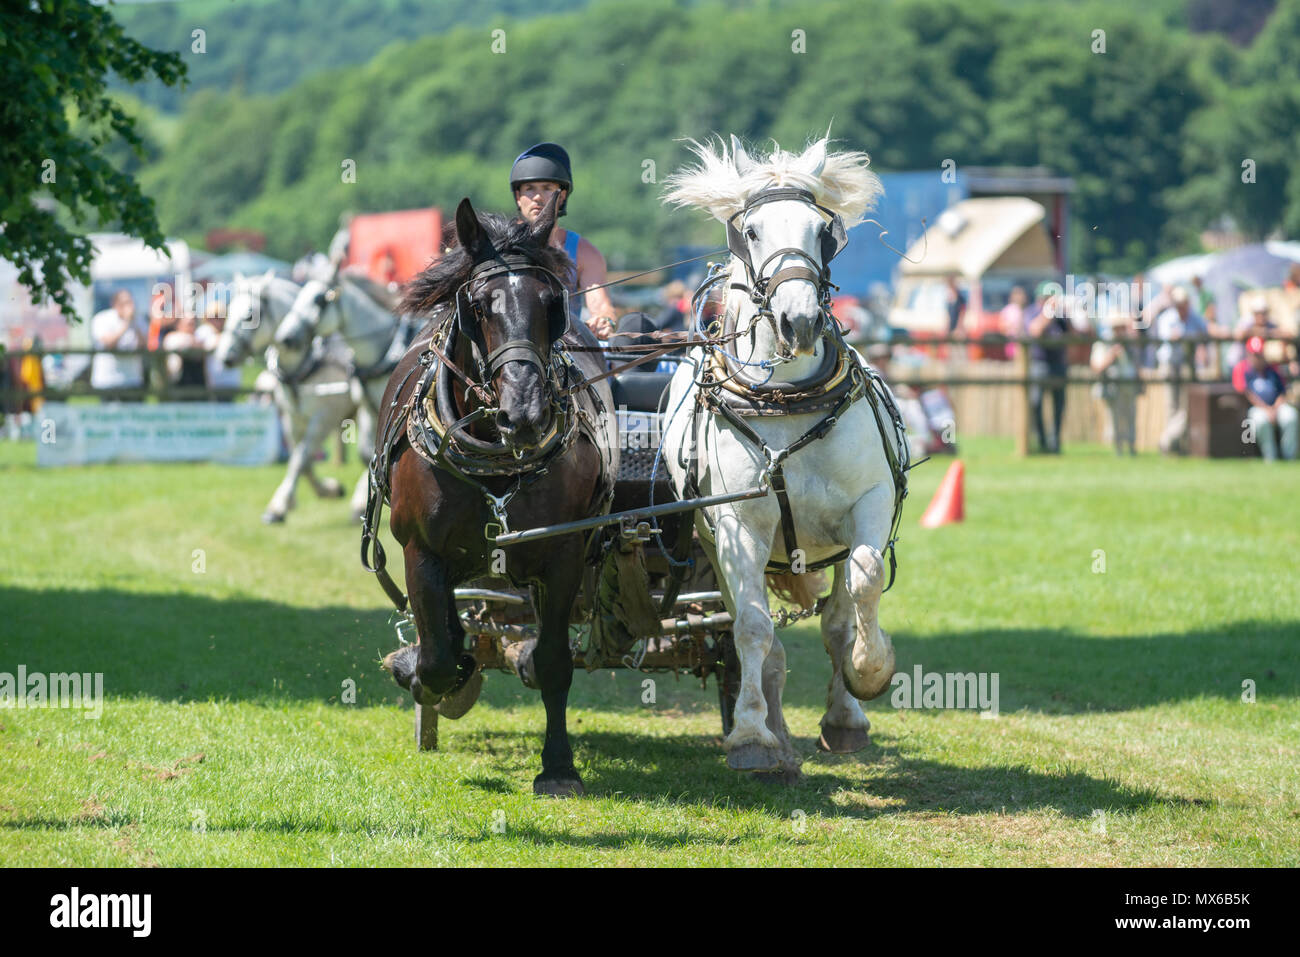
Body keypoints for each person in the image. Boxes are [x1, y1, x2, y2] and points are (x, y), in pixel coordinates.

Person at [510, 142, 616, 340]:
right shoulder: (499, 246)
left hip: (564, 350)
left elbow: (601, 305)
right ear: (518, 196)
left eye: (547, 188)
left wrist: (604, 321)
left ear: (563, 195)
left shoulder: (584, 252)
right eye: (529, 188)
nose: (538, 197)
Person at [1153, 285, 1208, 453]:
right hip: (1170, 364)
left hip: (1187, 365)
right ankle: (1174, 445)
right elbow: (1165, 338)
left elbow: (1205, 335)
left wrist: (1199, 346)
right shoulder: (1167, 318)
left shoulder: (1195, 318)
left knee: (1186, 406)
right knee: (1172, 406)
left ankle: (1167, 441)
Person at [1233, 335, 1297, 461]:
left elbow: (1282, 392)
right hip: (1255, 409)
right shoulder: (1242, 368)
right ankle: (1270, 458)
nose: (1257, 357)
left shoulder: (1272, 369)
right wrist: (1267, 409)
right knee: (1261, 421)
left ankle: (1289, 458)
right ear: (1248, 353)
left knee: (1291, 416)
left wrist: (1274, 408)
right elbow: (1246, 392)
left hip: (1276, 406)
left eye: (1259, 354)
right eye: (1254, 354)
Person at [1025, 282, 1069, 453]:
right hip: (1039, 363)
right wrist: (1047, 314)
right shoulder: (1032, 312)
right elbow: (1035, 330)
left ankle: (1055, 443)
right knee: (1036, 404)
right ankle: (1042, 442)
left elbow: (1074, 333)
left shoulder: (1062, 316)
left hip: (1058, 364)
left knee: (1059, 405)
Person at [1090, 313, 1142, 455]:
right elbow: (1096, 366)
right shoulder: (1103, 343)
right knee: (1115, 419)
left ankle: (1132, 447)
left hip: (1129, 384)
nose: (1120, 330)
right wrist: (1111, 355)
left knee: (1131, 416)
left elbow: (1136, 364)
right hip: (1112, 385)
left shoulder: (1130, 343)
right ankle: (1118, 449)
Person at [91, 289, 146, 392]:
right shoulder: (101, 319)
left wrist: (135, 324)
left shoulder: (139, 319)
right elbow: (108, 344)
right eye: (124, 303)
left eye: (130, 302)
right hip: (107, 381)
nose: (129, 306)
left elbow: (144, 346)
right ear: (115, 304)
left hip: (133, 381)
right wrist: (126, 323)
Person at [196, 303, 243, 397]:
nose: (217, 321)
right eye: (214, 317)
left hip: (231, 383)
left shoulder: (231, 332)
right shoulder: (204, 331)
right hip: (213, 384)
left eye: (221, 317)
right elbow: (207, 344)